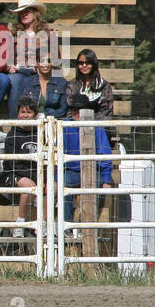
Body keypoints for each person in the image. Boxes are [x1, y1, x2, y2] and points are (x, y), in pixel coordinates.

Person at [62, 93, 114, 222]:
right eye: (74, 110)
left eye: (80, 110)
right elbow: (58, 154)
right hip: (71, 170)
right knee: (63, 189)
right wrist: (56, 178)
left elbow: (104, 154)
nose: (77, 113)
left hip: (92, 169)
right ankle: (65, 226)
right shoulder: (64, 126)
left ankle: (85, 224)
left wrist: (106, 180)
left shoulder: (97, 128)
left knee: (93, 189)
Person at [0, 96, 43, 237]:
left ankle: (44, 224)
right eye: (22, 112)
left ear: (35, 115)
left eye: (29, 112)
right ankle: (21, 222)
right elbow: (12, 163)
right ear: (18, 114)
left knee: (51, 187)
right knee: (30, 186)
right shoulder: (13, 135)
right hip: (16, 174)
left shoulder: (41, 133)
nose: (25, 115)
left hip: (38, 173)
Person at [8, 0, 53, 119]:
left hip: (39, 71)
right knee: (14, 81)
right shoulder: (14, 34)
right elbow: (7, 57)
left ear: (35, 13)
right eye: (21, 12)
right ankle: (15, 123)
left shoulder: (46, 34)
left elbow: (55, 57)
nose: (24, 14)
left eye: (28, 11)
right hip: (19, 71)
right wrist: (9, 66)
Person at [70, 48, 116, 119]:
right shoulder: (72, 85)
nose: (84, 65)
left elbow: (107, 111)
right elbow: (69, 108)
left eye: (88, 63)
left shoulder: (104, 86)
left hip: (98, 125)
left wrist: (90, 119)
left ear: (94, 64)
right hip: (75, 124)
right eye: (81, 63)